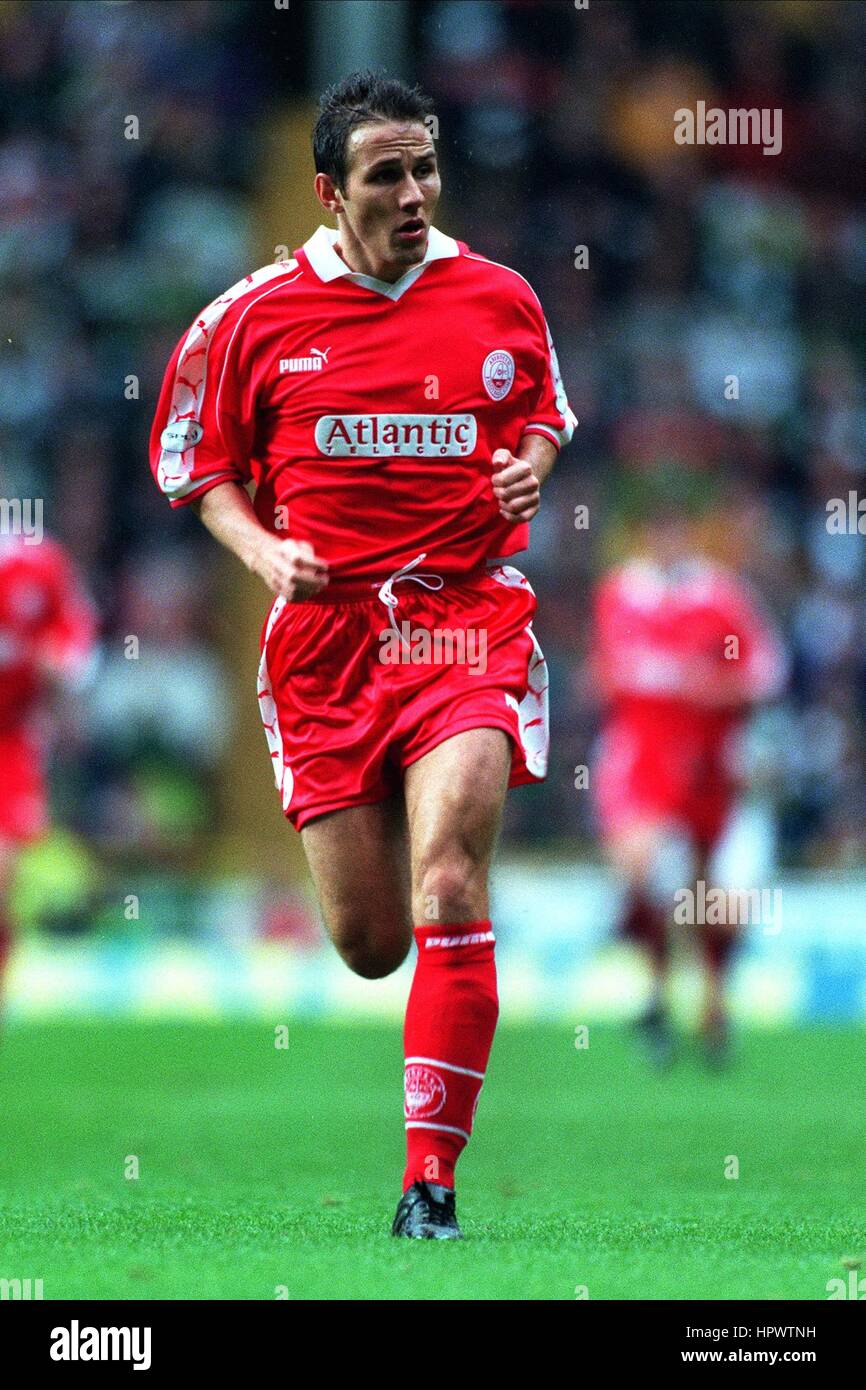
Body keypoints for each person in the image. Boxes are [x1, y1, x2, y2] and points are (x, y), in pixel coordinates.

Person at [149, 71, 575, 1238]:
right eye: (386, 174)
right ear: (330, 192)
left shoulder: (498, 298)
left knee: (449, 877)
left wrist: (531, 464)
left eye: (425, 167)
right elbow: (196, 463)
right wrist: (261, 550)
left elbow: (543, 412)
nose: (414, 193)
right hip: (328, 650)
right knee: (372, 942)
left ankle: (427, 1184)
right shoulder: (249, 318)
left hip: (461, 623)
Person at [591, 505, 785, 1067]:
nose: (666, 538)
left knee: (708, 895)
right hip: (641, 763)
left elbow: (764, 675)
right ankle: (654, 994)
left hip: (710, 767)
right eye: (657, 527)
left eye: (676, 526)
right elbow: (607, 675)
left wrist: (697, 688)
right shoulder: (621, 594)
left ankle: (712, 1004)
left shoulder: (723, 598)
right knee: (643, 869)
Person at [0, 532, 96, 1007]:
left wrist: (60, 666)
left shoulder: (39, 566)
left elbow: (78, 645)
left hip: (11, 741)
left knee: (2, 871)